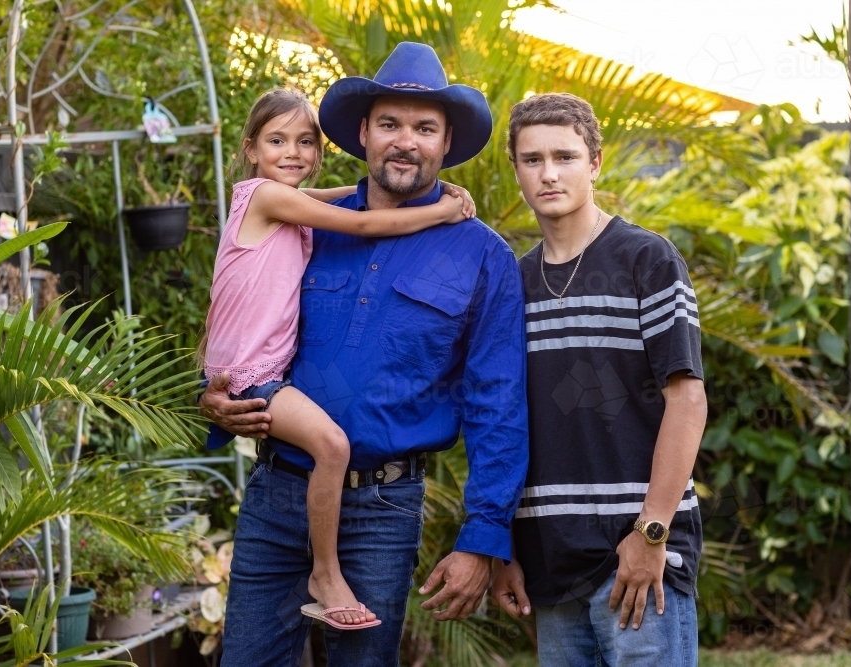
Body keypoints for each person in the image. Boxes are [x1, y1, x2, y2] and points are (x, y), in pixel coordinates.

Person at [200, 42, 529, 666]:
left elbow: (498, 403)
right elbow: (238, 315)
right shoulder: (302, 224)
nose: (406, 141)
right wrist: (214, 397)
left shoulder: (483, 257)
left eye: (424, 128)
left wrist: (484, 537)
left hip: (383, 509)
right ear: (362, 133)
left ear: (446, 142)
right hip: (276, 494)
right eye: (390, 124)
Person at [490, 92, 708, 667]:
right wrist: (504, 547)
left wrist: (651, 533)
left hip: (640, 559)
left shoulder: (647, 260)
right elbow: (506, 422)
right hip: (551, 561)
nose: (549, 173)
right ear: (515, 169)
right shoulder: (515, 281)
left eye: (564, 156)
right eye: (532, 160)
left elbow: (687, 401)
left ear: (595, 163)